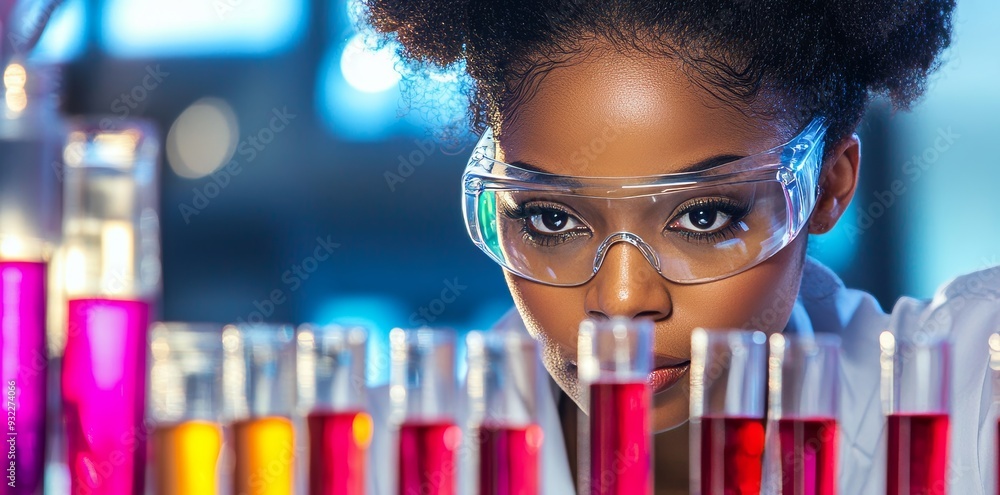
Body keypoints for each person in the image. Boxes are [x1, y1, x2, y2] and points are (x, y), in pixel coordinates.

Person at [364, 0, 999, 492]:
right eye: (552, 220)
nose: (619, 301)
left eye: (700, 216)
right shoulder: (371, 456)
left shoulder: (965, 399)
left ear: (829, 184)